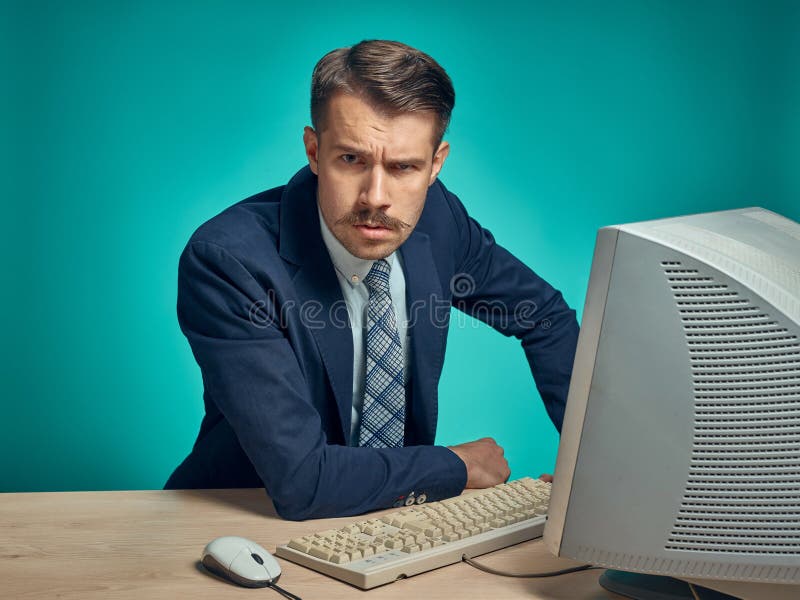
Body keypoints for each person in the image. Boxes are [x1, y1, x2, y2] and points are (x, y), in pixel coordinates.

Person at [165, 40, 579, 520]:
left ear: (436, 164)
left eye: (404, 167)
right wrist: (456, 466)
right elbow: (302, 482)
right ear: (314, 151)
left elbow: (543, 316)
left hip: (397, 522)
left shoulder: (439, 218)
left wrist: (596, 469)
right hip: (244, 520)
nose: (376, 197)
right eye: (351, 160)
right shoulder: (229, 261)